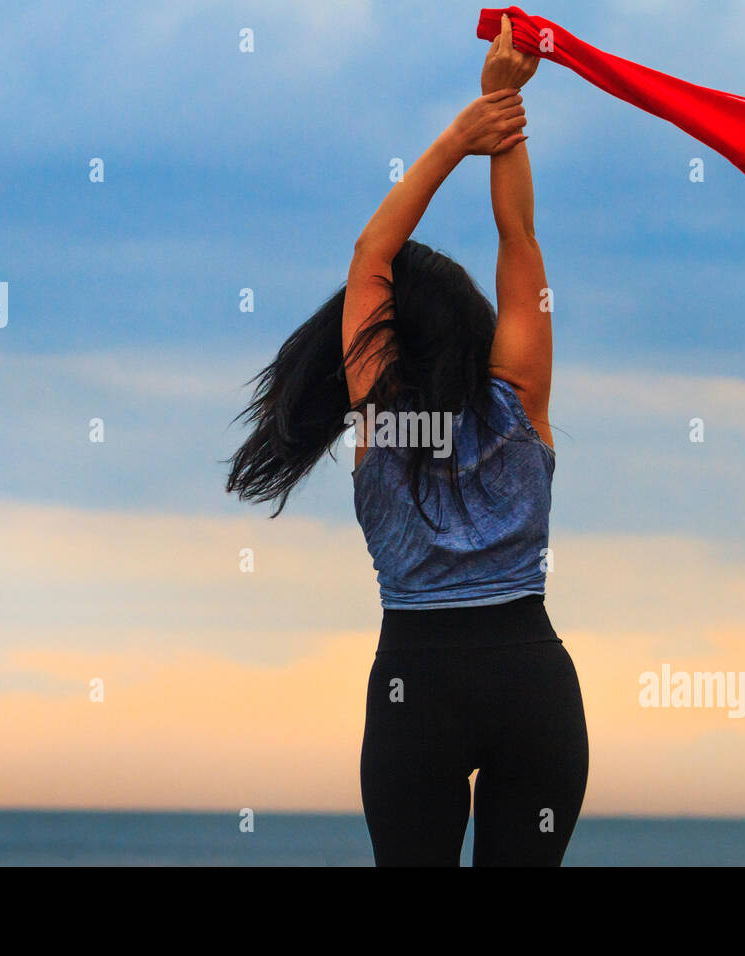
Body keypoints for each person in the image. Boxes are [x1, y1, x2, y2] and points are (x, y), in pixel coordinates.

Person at [227, 15, 587, 866]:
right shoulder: (520, 402)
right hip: (531, 680)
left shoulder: (380, 420)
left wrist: (461, 133)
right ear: (471, 328)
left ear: (388, 339)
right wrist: (503, 113)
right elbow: (519, 239)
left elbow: (370, 255)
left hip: (414, 686)